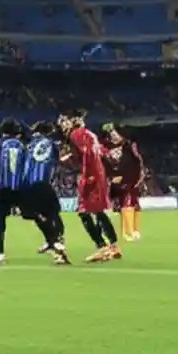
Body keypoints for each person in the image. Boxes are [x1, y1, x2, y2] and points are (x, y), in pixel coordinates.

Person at [62, 110, 121, 263]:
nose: (63, 124)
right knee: (98, 211)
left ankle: (101, 247)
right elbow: (101, 152)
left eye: (65, 120)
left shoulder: (76, 134)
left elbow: (88, 154)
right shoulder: (89, 134)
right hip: (99, 174)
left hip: (91, 176)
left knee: (84, 212)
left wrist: (88, 176)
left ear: (74, 120)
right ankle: (114, 246)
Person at [24, 120, 68, 264]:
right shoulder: (51, 144)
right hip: (42, 184)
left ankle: (50, 241)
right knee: (53, 213)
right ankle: (57, 242)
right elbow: (59, 160)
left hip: (27, 186)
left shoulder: (28, 145)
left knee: (37, 214)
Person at [0, 118, 26, 265]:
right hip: (20, 189)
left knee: (0, 221)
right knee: (37, 216)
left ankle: (0, 254)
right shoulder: (23, 147)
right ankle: (54, 244)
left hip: (3, 188)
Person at [103, 123, 146, 242]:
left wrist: (140, 175)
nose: (115, 136)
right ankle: (127, 232)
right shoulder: (106, 148)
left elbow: (138, 161)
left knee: (134, 204)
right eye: (112, 134)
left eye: (116, 134)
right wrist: (110, 177)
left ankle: (135, 230)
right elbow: (105, 164)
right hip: (118, 180)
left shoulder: (129, 145)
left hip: (131, 178)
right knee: (125, 204)